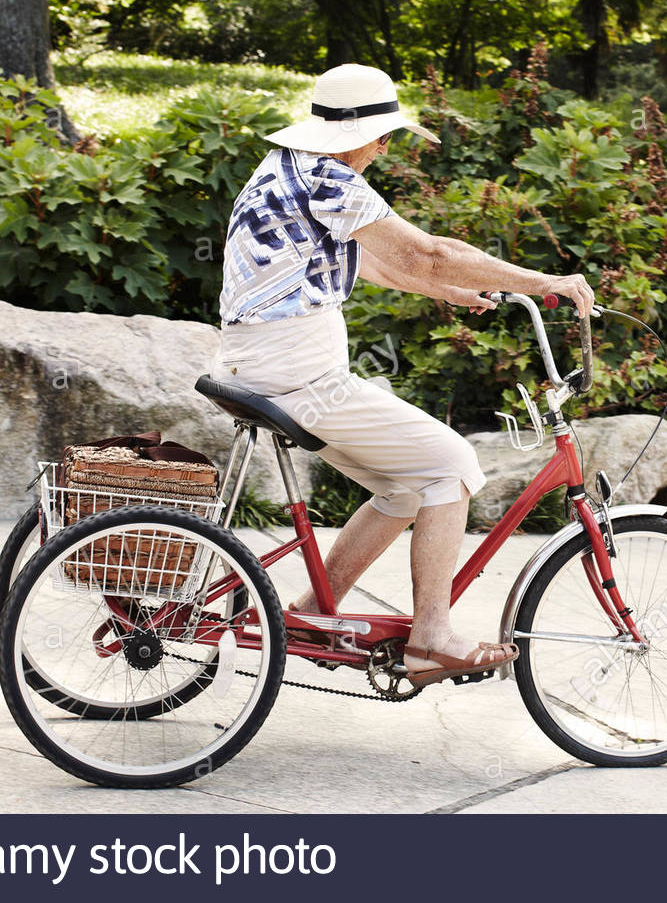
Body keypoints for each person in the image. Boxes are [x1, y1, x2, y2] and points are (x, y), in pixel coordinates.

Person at [211, 63, 593, 687]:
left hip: (261, 360)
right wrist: (542, 282)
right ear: (358, 133)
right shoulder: (330, 179)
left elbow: (383, 264)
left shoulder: (285, 169)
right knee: (451, 465)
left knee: (405, 487)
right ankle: (431, 637)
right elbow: (428, 250)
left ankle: (310, 613)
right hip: (297, 371)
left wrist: (450, 291)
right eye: (386, 136)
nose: (387, 149)